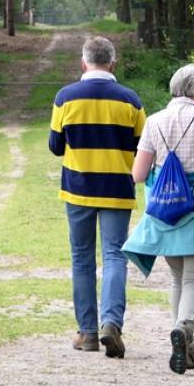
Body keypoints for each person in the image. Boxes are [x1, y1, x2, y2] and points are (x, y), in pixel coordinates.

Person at [123, 64, 194, 374]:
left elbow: (138, 174)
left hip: (165, 212)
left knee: (177, 278)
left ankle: (188, 346)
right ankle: (184, 328)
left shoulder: (154, 121)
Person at [48, 36, 146, 358]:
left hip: (78, 188)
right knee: (115, 255)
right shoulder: (131, 100)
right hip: (117, 188)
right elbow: (142, 145)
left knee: (82, 258)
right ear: (113, 63)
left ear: (83, 62)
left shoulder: (65, 97)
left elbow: (56, 146)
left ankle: (87, 332)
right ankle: (111, 323)